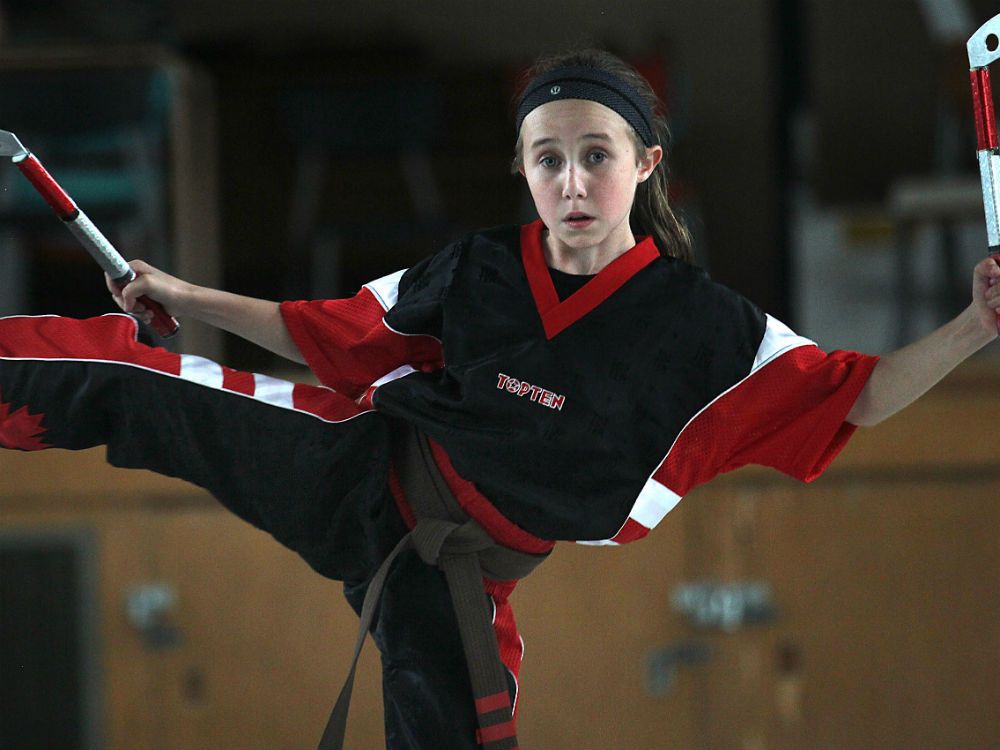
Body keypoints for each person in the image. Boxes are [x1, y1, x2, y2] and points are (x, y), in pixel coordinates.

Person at [2, 49, 1000, 750]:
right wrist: (180, 295)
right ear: (523, 169)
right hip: (356, 472)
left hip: (460, 584)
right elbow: (325, 332)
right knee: (132, 378)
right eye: (548, 158)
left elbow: (855, 399)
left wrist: (974, 328)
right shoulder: (477, 269)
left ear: (646, 163)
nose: (572, 181)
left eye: (597, 155)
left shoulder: (710, 333)